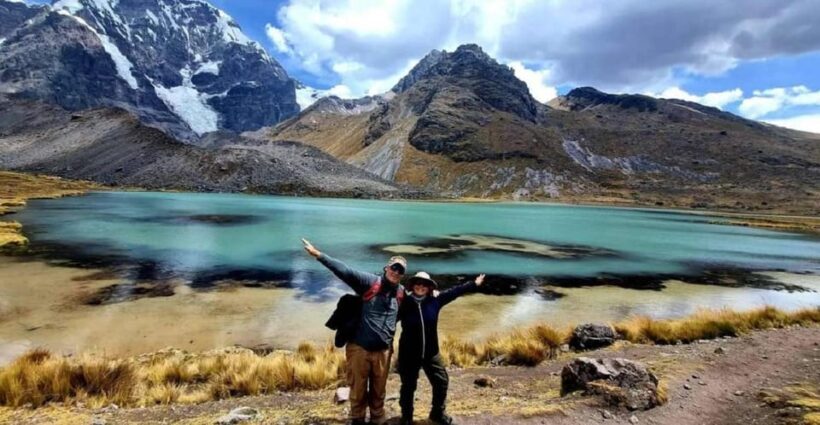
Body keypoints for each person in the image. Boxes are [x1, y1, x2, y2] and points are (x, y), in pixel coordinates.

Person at [302, 238, 406, 425]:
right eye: (394, 268)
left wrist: (434, 295)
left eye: (400, 270)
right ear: (386, 268)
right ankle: (357, 418)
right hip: (360, 349)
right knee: (357, 388)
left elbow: (418, 301)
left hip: (384, 351)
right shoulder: (370, 282)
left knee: (379, 389)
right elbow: (345, 271)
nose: (396, 272)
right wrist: (319, 255)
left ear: (402, 275)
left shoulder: (401, 294)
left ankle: (377, 417)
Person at [398, 271, 486, 425]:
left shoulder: (435, 300)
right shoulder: (403, 303)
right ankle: (407, 417)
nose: (421, 286)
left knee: (441, 381)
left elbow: (455, 292)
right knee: (408, 386)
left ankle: (437, 413)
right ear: (413, 285)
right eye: (418, 283)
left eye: (425, 284)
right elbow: (387, 319)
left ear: (429, 287)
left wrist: (474, 284)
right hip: (409, 354)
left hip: (431, 353)